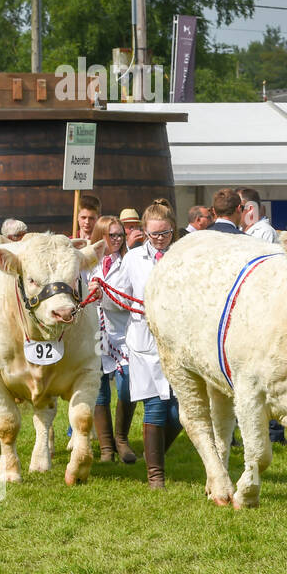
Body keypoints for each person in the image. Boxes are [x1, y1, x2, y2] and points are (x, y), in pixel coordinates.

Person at [110, 203, 181, 488]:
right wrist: (102, 292)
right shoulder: (133, 258)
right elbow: (121, 295)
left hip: (179, 339)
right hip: (145, 340)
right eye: (154, 234)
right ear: (144, 232)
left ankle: (154, 456)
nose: (160, 238)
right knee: (155, 404)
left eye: (165, 233)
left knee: (179, 411)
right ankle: (156, 476)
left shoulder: (182, 256)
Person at [91, 214, 136, 464]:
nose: (118, 239)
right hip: (95, 334)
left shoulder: (129, 262)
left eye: (121, 235)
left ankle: (122, 439)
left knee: (127, 384)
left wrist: (103, 296)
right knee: (99, 391)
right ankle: (107, 447)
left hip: (121, 334)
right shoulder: (87, 264)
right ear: (101, 236)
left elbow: (130, 299)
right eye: (113, 235)